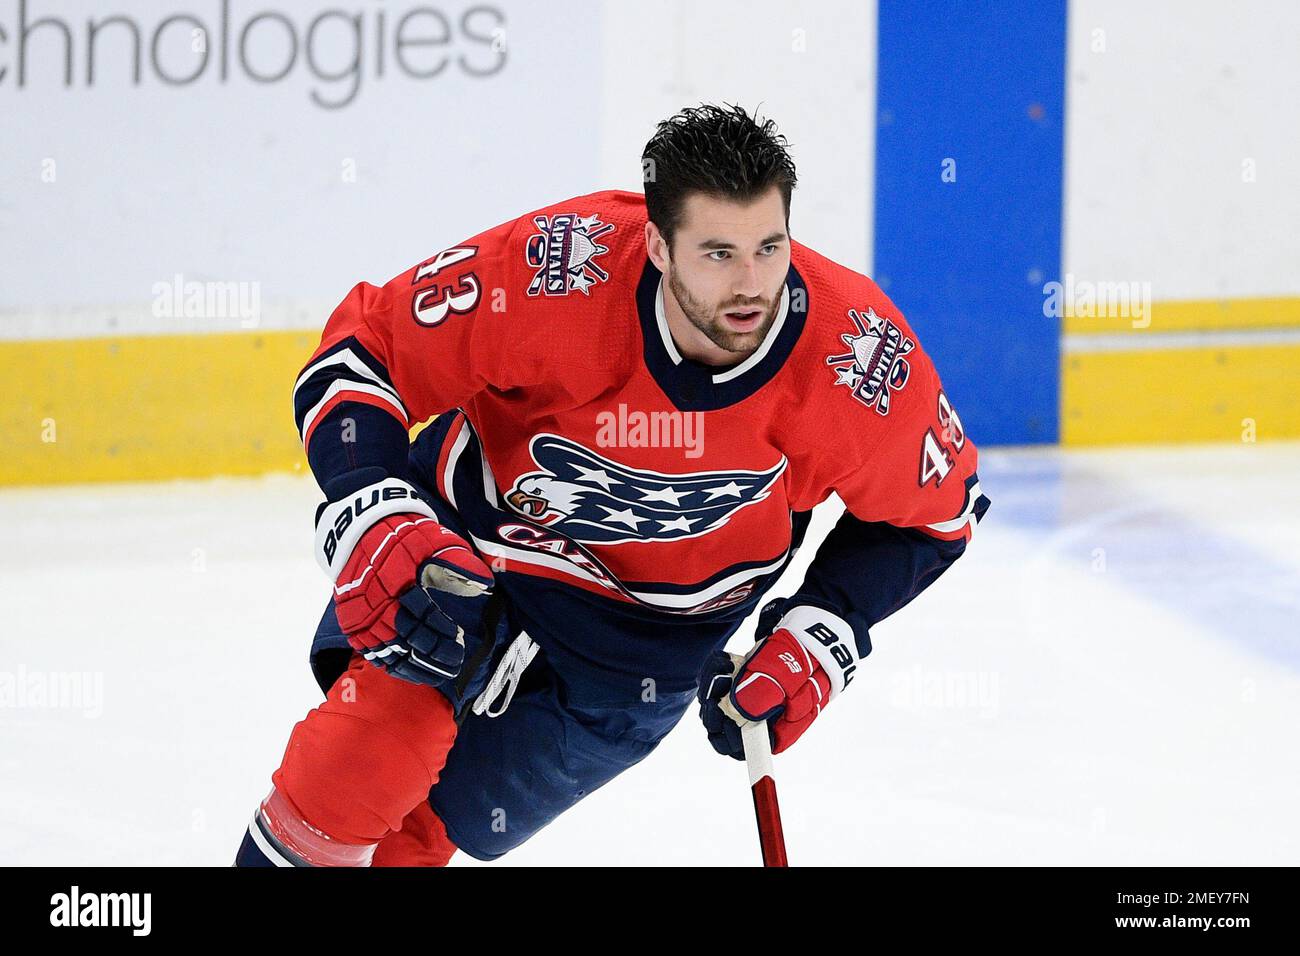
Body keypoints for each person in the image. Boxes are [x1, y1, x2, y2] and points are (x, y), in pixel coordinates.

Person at [235, 103, 989, 866]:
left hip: (641, 658)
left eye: (770, 246)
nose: (752, 284)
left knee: (422, 836)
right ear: (658, 245)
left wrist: (820, 629)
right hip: (471, 556)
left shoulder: (856, 361)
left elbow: (935, 517)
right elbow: (366, 352)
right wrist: (373, 505)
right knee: (362, 764)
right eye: (718, 253)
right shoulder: (558, 269)